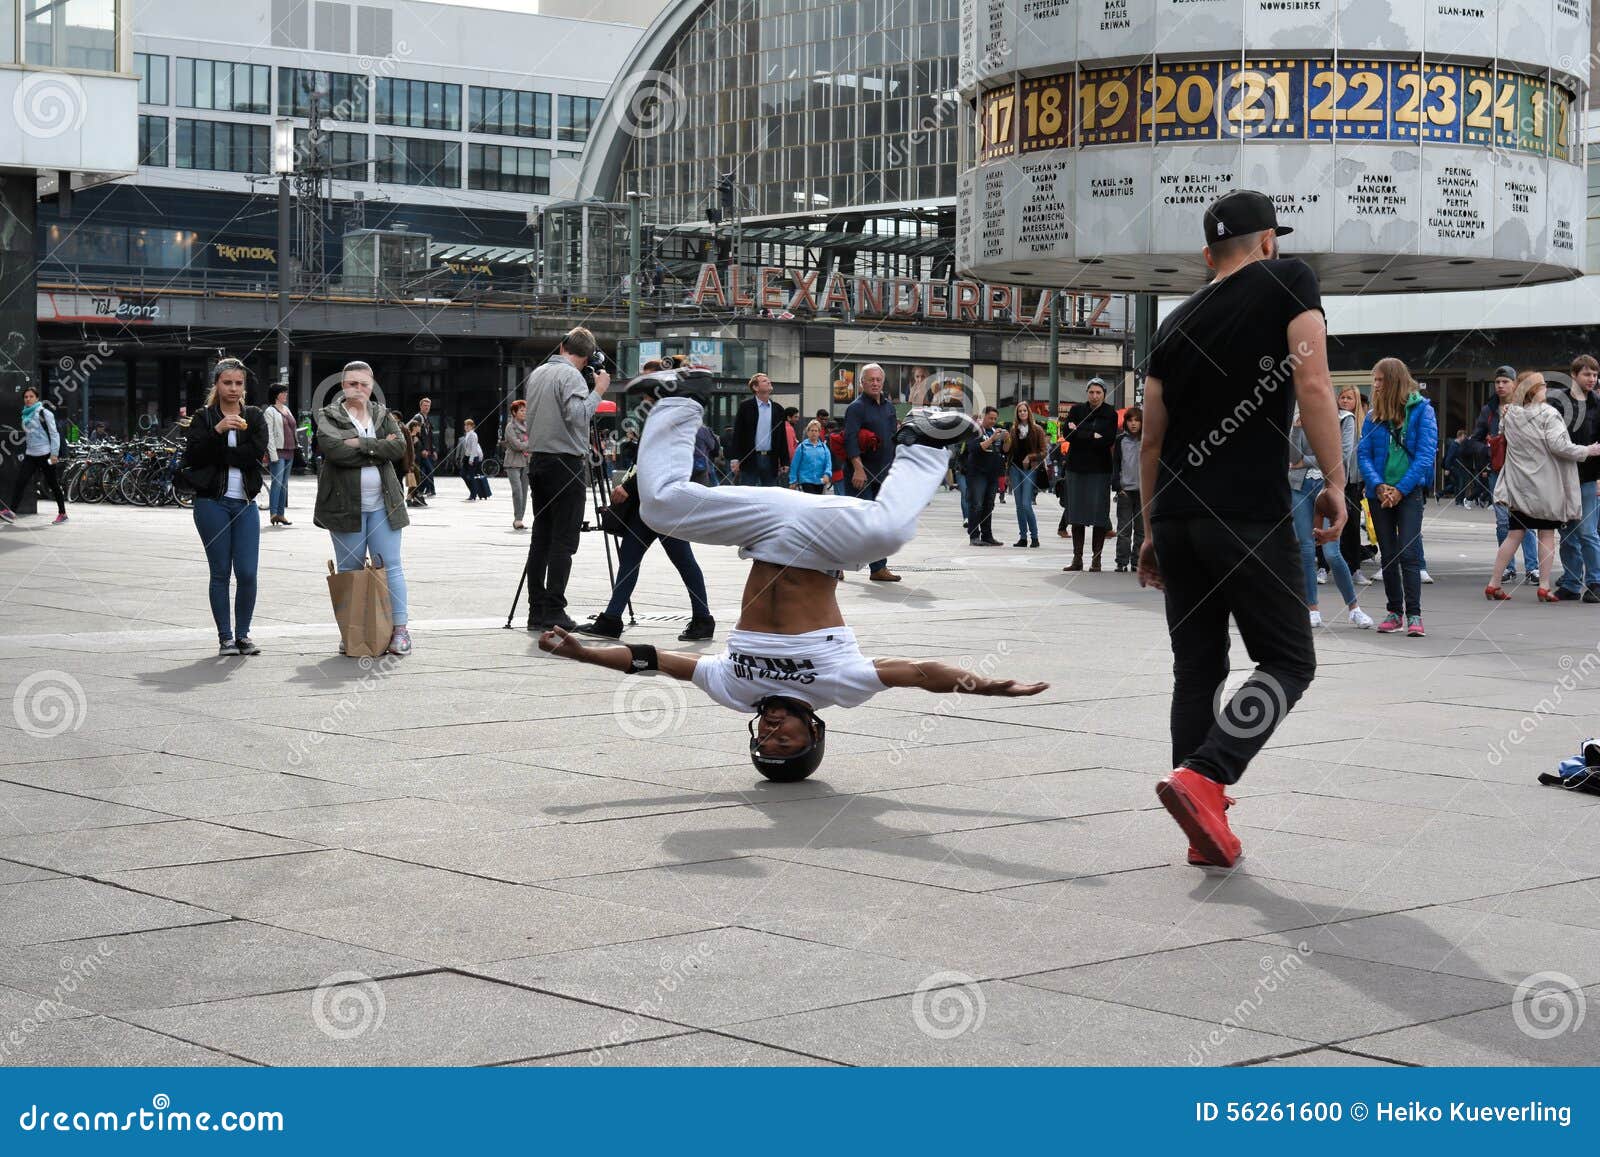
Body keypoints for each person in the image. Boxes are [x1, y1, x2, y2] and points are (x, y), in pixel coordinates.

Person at [540, 371, 1046, 782]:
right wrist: (980, 686)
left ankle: (682, 398)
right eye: (785, 739)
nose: (773, 729)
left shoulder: (735, 691)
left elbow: (654, 661)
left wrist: (584, 654)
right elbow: (915, 674)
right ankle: (925, 440)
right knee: (891, 531)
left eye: (765, 738)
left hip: (765, 527)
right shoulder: (837, 687)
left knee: (659, 508)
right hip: (823, 542)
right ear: (815, 731)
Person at [1138, 189, 1346, 870]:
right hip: (1245, 511)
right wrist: (1336, 482)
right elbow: (1314, 383)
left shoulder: (1173, 322)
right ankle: (1207, 775)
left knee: (1197, 666)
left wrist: (1148, 529)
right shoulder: (1289, 279)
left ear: (1207, 255)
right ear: (1267, 242)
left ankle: (1202, 818)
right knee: (1290, 659)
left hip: (1174, 511)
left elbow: (1150, 440)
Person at [577, 390, 714, 643]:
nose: (646, 401)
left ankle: (702, 618)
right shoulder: (670, 425)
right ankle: (612, 618)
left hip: (662, 505)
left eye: (650, 396)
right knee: (634, 557)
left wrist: (627, 487)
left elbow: (661, 466)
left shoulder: (679, 429)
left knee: (680, 560)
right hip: (651, 505)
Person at [315, 361, 412, 656]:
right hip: (344, 506)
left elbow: (399, 449)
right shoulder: (327, 415)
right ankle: (352, 632)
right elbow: (335, 452)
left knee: (391, 566)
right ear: (343, 385)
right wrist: (377, 447)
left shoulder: (382, 414)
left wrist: (359, 442)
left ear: (372, 386)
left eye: (364, 384)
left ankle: (400, 631)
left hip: (384, 504)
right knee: (350, 570)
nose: (359, 389)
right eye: (353, 384)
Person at [179, 359, 268, 655]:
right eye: (227, 382)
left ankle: (244, 634)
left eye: (238, 383)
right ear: (216, 384)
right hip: (211, 503)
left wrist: (220, 452)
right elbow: (194, 456)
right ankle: (226, 638)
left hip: (245, 504)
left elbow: (254, 456)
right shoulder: (204, 418)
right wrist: (217, 430)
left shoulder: (254, 417)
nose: (233, 388)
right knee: (220, 572)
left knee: (247, 572)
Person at [523, 326, 610, 631]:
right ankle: (555, 609)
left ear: (562, 346)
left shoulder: (538, 373)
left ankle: (536, 609)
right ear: (587, 358)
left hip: (539, 461)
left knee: (541, 538)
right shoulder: (572, 376)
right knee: (564, 540)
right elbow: (578, 416)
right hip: (566, 463)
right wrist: (598, 390)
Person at [1486, 371, 1600, 602]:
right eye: (1543, 384)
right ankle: (1544, 586)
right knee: (1546, 534)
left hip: (1519, 488)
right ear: (1536, 389)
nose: (1547, 387)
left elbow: (1500, 435)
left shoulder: (1510, 414)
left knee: (1513, 535)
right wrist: (1588, 450)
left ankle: (1494, 583)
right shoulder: (1549, 414)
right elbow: (1560, 446)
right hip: (1545, 487)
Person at [1357, 357, 1439, 636]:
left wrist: (1400, 489)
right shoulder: (1372, 416)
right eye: (1375, 380)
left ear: (1394, 380)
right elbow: (1363, 454)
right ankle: (1394, 611)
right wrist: (1379, 486)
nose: (1376, 385)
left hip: (1409, 492)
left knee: (1408, 552)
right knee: (1389, 554)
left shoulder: (1422, 411)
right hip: (1379, 494)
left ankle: (1415, 614)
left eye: (1380, 380)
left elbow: (1426, 455)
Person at [1290, 408, 1373, 629]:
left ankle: (1354, 608)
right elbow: (1291, 458)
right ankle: (1312, 608)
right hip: (1298, 487)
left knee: (1332, 552)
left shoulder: (1344, 419)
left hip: (1328, 489)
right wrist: (1297, 429)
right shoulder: (1297, 416)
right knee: (1306, 548)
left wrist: (1305, 462)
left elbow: (1341, 458)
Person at [1473, 367, 1540, 584]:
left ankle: (1533, 568)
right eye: (1497, 382)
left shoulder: (1526, 407)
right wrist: (1488, 451)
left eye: (1505, 381)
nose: (1500, 385)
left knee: (1526, 519)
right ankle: (1508, 567)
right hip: (1498, 470)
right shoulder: (1489, 410)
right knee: (1503, 522)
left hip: (1523, 472)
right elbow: (1476, 439)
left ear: (1515, 384)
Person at [842, 363, 901, 581]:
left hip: (883, 474)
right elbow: (850, 440)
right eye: (870, 380)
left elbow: (893, 439)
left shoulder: (889, 407)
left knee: (880, 524)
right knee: (859, 524)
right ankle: (836, 563)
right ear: (862, 383)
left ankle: (878, 568)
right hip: (861, 475)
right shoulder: (856, 408)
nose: (875, 383)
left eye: (878, 380)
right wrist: (858, 468)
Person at [1554, 354, 1600, 601]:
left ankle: (1596, 582)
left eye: (1594, 374)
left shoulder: (1598, 404)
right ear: (1574, 375)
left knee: (1588, 532)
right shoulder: (1558, 403)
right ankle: (1571, 582)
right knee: (1567, 533)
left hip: (1589, 476)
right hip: (1562, 476)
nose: (1592, 379)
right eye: (1587, 374)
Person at [1061, 378, 1118, 571]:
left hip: (1100, 469)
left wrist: (1080, 432)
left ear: (1104, 394)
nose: (1094, 396)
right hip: (1076, 467)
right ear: (1087, 393)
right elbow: (1067, 434)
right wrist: (1092, 434)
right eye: (1091, 392)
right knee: (1076, 514)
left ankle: (1096, 559)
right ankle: (1077, 559)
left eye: (1098, 392)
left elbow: (1108, 439)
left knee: (1099, 515)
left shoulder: (1110, 413)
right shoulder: (1076, 410)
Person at [0, 387, 68, 525]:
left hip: (46, 454)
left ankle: (63, 513)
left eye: (31, 396)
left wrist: (54, 454)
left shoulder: (45, 413)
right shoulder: (25, 415)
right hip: (31, 454)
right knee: (21, 481)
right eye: (25, 397)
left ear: (37, 398)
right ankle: (11, 512)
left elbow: (54, 434)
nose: (28, 399)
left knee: (52, 484)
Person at [730, 372, 790, 486]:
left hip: (771, 459)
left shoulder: (778, 409)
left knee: (770, 495)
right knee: (748, 494)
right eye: (764, 381)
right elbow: (738, 434)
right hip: (750, 459)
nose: (768, 381)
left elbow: (782, 438)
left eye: (768, 380)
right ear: (755, 387)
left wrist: (784, 461)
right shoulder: (745, 407)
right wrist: (734, 459)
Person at [1006, 402, 1046, 548]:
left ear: (1029, 412)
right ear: (1017, 414)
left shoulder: (1037, 430)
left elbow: (1044, 452)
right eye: (1019, 411)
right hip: (1015, 469)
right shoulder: (1013, 430)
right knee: (1018, 506)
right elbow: (1009, 453)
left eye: (1024, 410)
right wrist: (1007, 473)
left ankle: (1034, 537)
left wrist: (1030, 457)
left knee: (1026, 504)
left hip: (1030, 470)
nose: (1022, 413)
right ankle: (1023, 537)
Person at [963, 407, 1005, 546]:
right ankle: (974, 536)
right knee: (977, 504)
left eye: (995, 418)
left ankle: (987, 535)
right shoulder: (974, 430)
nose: (993, 421)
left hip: (992, 474)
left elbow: (1003, 451)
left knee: (989, 505)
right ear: (984, 417)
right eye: (990, 418)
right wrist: (992, 439)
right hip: (977, 473)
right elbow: (974, 449)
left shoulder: (994, 432)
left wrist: (1007, 439)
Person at [1109, 405, 1144, 573]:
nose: (1134, 424)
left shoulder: (1149, 439)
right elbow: (1115, 464)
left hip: (1144, 492)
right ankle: (1121, 561)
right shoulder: (1120, 440)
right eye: (1130, 420)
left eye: (1137, 420)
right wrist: (1117, 485)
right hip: (1125, 491)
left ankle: (1137, 561)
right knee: (1124, 529)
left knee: (1141, 531)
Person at [264, 384, 297, 527]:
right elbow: (269, 435)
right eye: (283, 393)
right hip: (278, 451)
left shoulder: (287, 409)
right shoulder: (270, 411)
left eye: (286, 393)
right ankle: (273, 514)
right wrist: (272, 454)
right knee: (277, 483)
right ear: (276, 395)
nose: (286, 395)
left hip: (290, 450)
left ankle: (281, 514)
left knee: (284, 485)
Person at [502, 398, 530, 529]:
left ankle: (520, 519)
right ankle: (517, 518)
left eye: (525, 410)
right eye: (521, 410)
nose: (524, 412)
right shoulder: (510, 427)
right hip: (513, 463)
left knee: (524, 492)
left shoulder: (528, 426)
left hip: (526, 462)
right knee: (517, 491)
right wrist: (530, 444)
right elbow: (517, 445)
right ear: (514, 412)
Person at [789, 419, 834, 494]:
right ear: (808, 432)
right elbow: (794, 465)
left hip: (820, 480)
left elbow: (828, 463)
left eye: (816, 431)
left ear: (819, 433)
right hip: (805, 480)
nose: (814, 433)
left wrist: (827, 474)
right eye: (812, 430)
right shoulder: (802, 447)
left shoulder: (824, 447)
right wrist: (792, 481)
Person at [411, 397, 439, 498]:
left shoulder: (427, 419)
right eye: (425, 405)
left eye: (428, 406)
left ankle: (423, 490)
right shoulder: (418, 417)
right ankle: (430, 490)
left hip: (428, 451)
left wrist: (434, 450)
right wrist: (422, 449)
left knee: (426, 471)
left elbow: (430, 436)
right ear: (420, 406)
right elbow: (415, 435)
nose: (427, 407)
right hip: (421, 451)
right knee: (428, 470)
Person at [459, 419, 490, 501]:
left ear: (472, 426)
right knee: (463, 474)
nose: (466, 427)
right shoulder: (467, 434)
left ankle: (473, 494)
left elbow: (474, 448)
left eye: (468, 425)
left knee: (471, 476)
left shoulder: (473, 435)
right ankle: (473, 491)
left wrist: (471, 459)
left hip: (472, 458)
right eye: (465, 425)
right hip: (467, 457)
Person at [404, 419, 428, 508]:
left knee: (414, 482)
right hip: (413, 463)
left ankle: (411, 499)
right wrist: (410, 464)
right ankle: (409, 498)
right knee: (415, 482)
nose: (420, 428)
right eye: (419, 426)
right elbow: (410, 451)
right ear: (414, 427)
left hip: (417, 462)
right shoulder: (411, 437)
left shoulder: (416, 437)